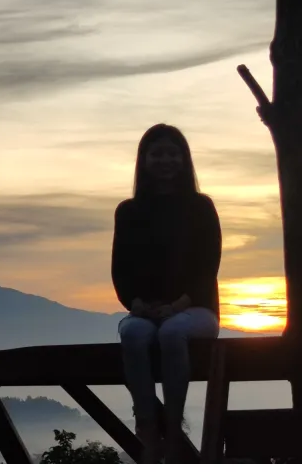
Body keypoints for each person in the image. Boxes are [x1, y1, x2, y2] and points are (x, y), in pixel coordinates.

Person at [111, 124, 223, 463]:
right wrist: (137, 305)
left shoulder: (201, 207)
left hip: (197, 311)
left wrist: (178, 306)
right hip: (146, 312)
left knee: (173, 334)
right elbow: (121, 270)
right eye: (157, 153)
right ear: (143, 160)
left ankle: (173, 430)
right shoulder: (128, 211)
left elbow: (209, 268)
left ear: (185, 160)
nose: (165, 160)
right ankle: (147, 425)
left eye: (173, 153)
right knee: (131, 333)